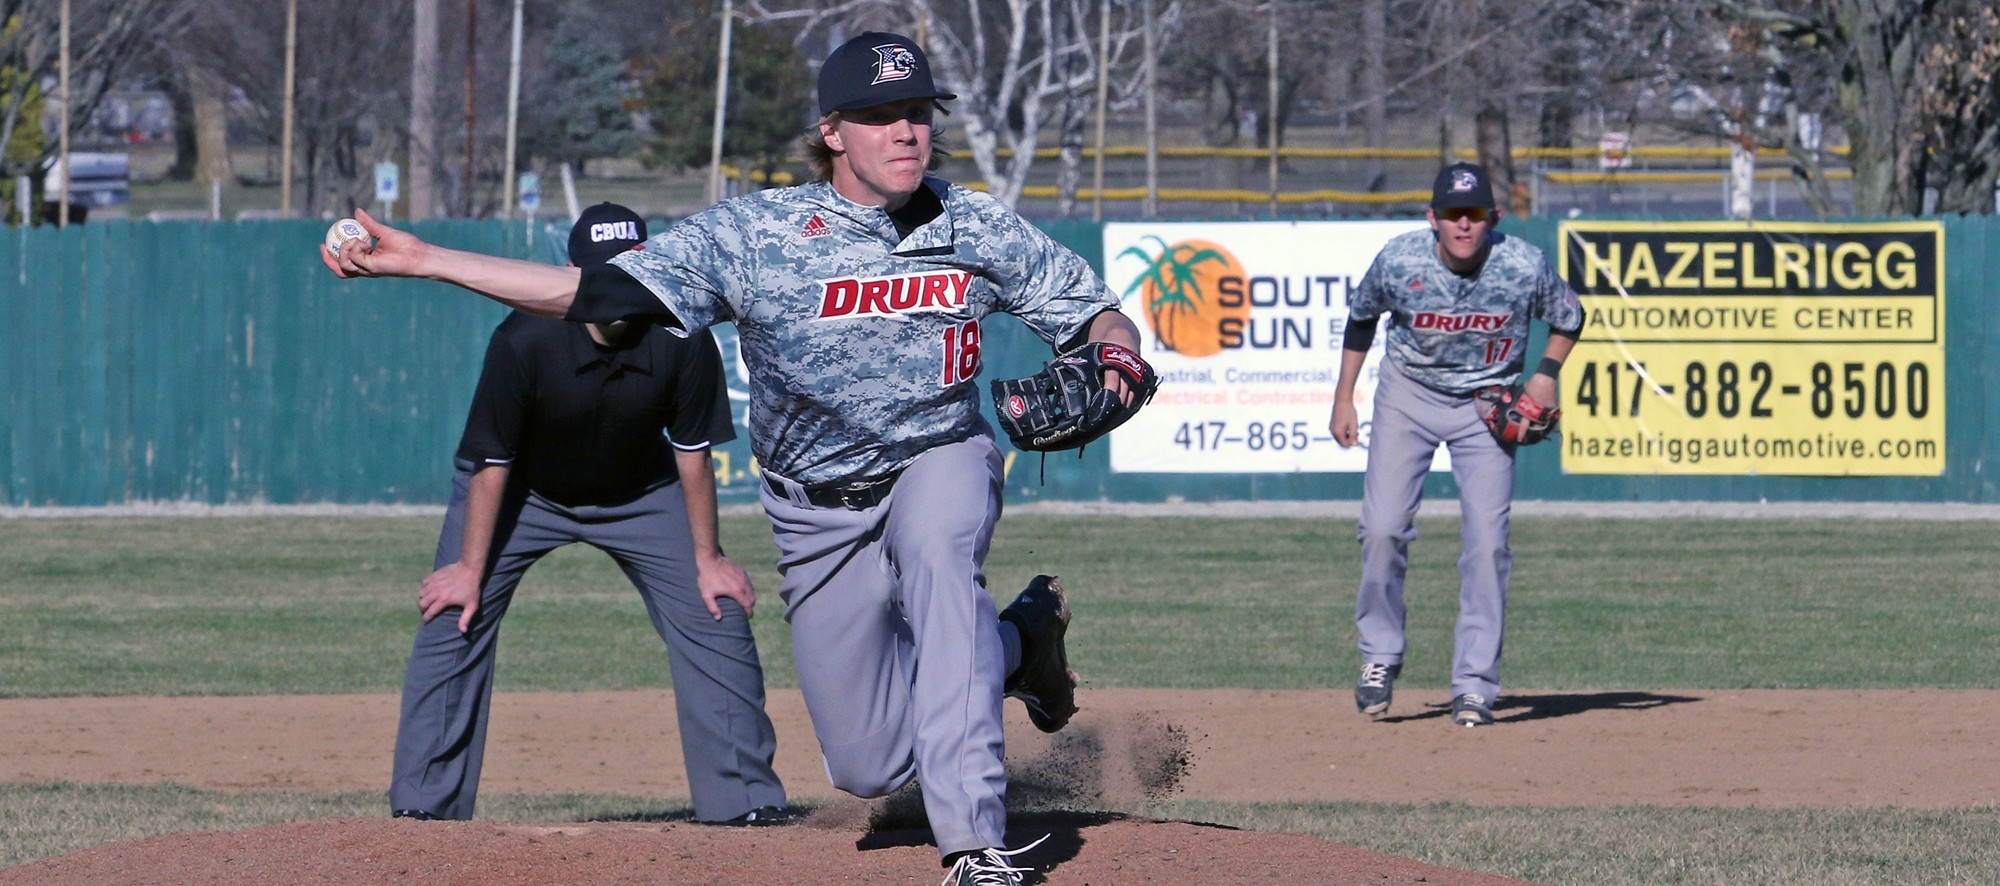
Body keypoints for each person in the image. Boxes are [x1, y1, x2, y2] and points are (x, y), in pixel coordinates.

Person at [326, 32, 1149, 886]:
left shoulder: (972, 222)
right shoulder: (759, 234)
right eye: (878, 116)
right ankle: (1021, 642)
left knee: (941, 566)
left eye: (917, 113)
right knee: (868, 763)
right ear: (833, 131)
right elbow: (593, 293)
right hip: (815, 507)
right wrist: (422, 260)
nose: (906, 132)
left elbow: (1092, 311)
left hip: (937, 455)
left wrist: (1116, 352)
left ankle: (973, 845)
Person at [388, 202, 788, 825]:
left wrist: (709, 560)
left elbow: (692, 457)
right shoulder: (524, 338)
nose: (617, 288)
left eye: (631, 270)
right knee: (452, 613)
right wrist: (468, 569)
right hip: (524, 492)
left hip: (640, 492)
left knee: (717, 612)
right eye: (602, 272)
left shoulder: (680, 336)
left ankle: (746, 806)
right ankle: (424, 815)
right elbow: (491, 461)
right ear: (572, 274)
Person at [1328, 162, 1582, 728]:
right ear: (1433, 219)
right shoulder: (1400, 258)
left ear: (1493, 217)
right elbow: (1362, 319)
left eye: (1474, 215)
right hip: (1407, 394)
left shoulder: (1521, 264)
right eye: (1452, 214)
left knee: (1489, 544)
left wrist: (1544, 375)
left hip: (1486, 406)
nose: (1463, 226)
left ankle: (1474, 685)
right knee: (1384, 528)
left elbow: (1570, 316)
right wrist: (1344, 397)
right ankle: (1379, 656)